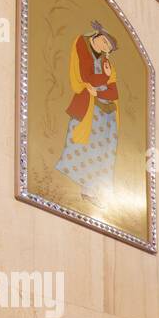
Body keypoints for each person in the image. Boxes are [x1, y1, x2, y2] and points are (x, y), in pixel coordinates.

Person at [55, 21, 120, 209]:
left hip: (106, 115)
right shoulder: (81, 45)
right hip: (88, 109)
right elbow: (85, 78)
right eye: (106, 43)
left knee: (103, 154)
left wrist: (99, 90)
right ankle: (81, 190)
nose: (107, 49)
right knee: (83, 147)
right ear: (98, 36)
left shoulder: (107, 62)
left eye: (109, 48)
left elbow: (113, 92)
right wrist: (104, 79)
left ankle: (91, 192)